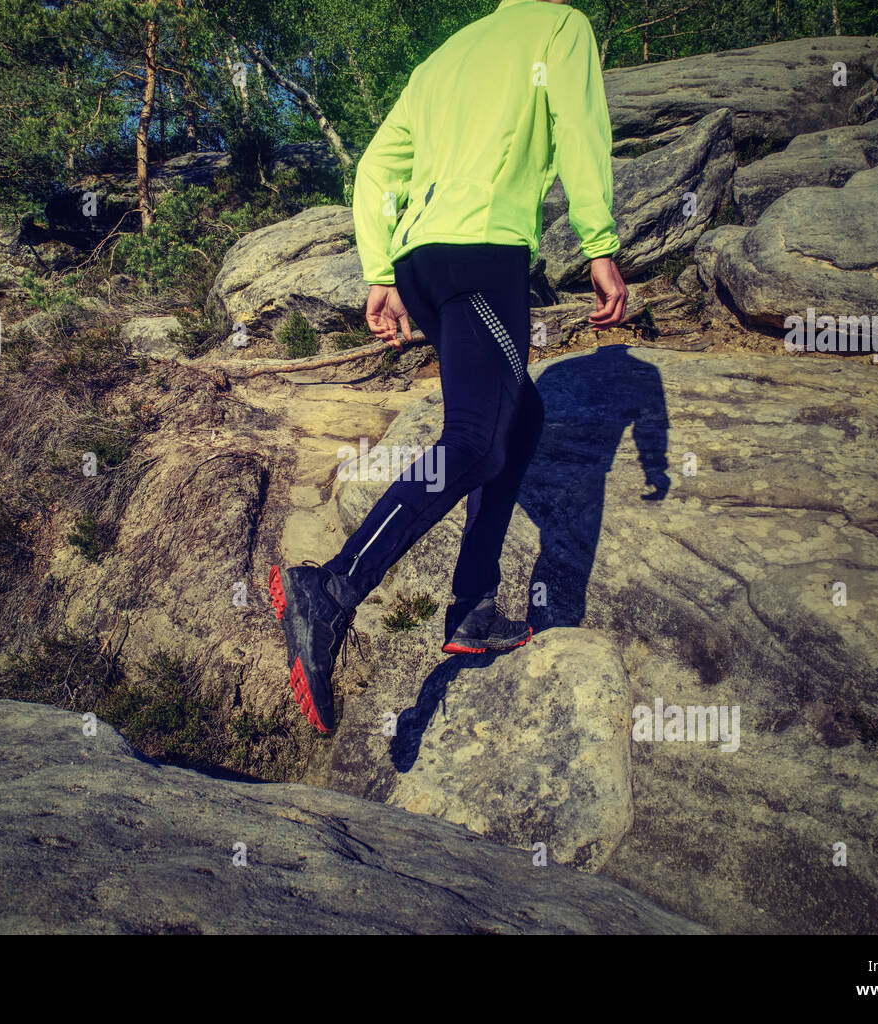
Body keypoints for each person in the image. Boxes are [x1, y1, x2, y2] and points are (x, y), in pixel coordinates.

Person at [269, 0, 629, 733]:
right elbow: (582, 131)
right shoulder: (560, 27)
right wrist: (599, 242)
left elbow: (374, 169)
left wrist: (380, 271)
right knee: (473, 441)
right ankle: (333, 587)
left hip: (421, 264)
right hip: (483, 253)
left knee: (519, 420)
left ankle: (471, 604)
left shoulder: (446, 57)